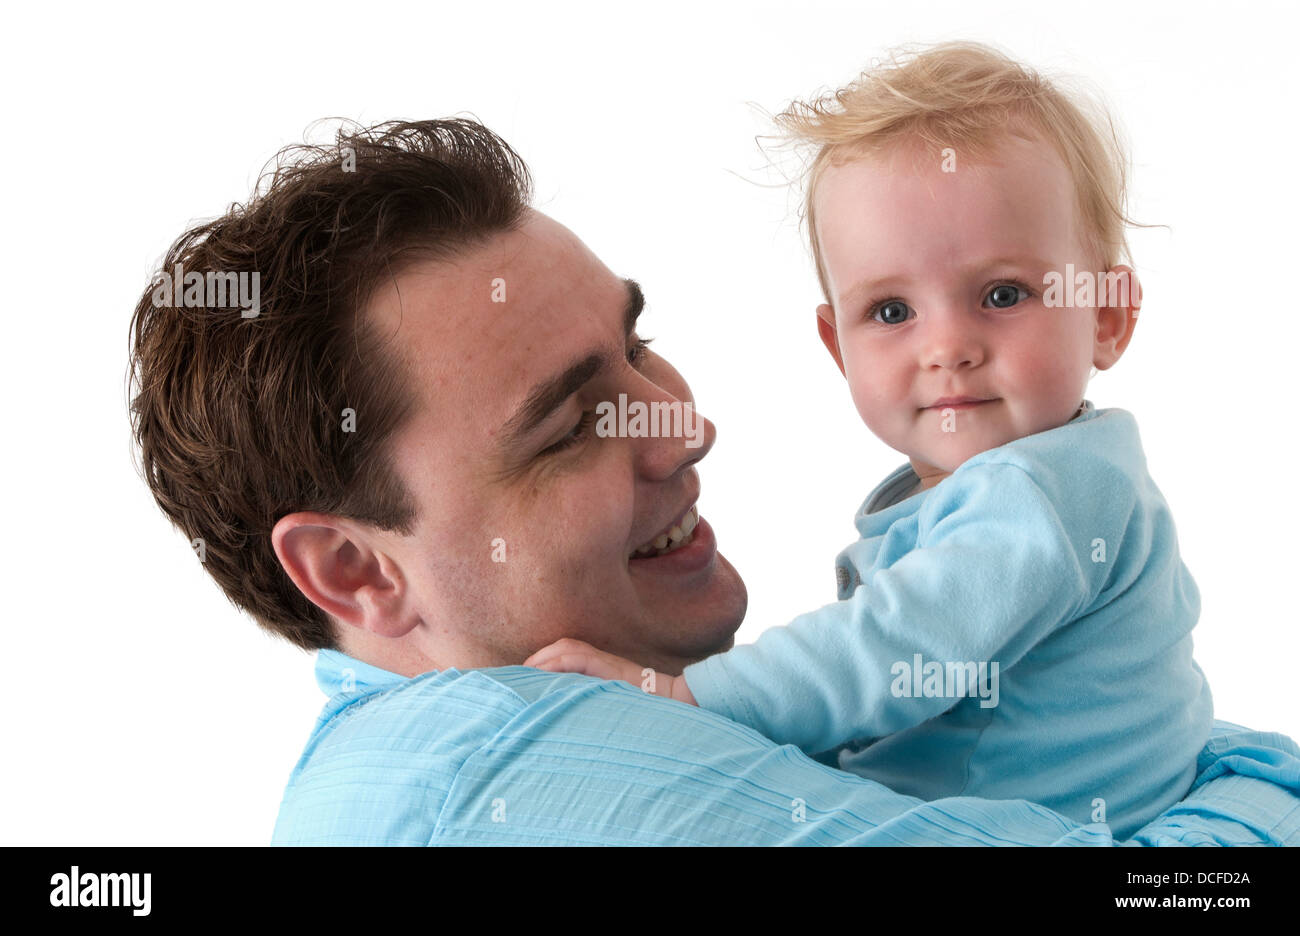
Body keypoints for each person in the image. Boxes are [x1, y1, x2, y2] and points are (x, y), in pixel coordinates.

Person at [127, 117, 1300, 846]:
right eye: (572, 422)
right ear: (353, 570)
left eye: (639, 345)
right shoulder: (520, 778)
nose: (684, 423)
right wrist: (1258, 782)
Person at [527, 43, 1212, 839]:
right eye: (892, 311)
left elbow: (895, 649)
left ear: (1106, 316)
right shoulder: (1020, 482)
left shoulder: (1042, 491)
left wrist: (694, 698)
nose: (947, 345)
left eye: (1002, 294)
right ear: (836, 344)